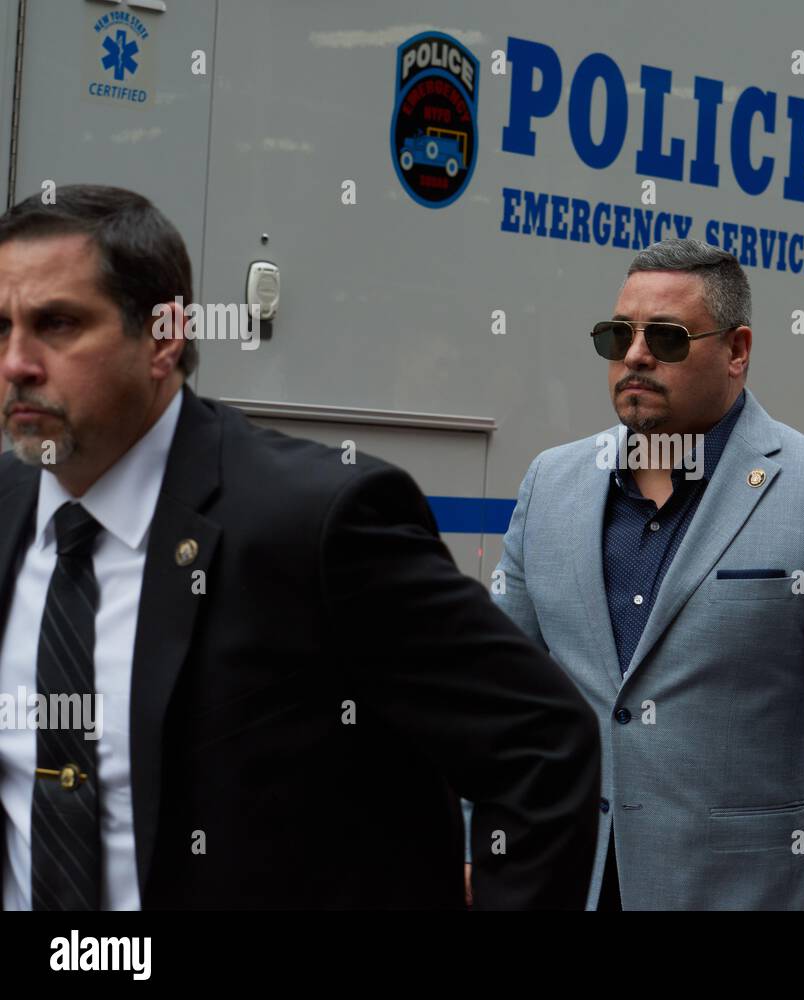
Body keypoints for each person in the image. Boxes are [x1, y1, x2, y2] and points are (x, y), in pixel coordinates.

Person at [0, 184, 599, 910]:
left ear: (163, 337)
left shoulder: (315, 524)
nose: (17, 362)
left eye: (57, 324)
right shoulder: (9, 512)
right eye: (1, 328)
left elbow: (542, 745)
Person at [489, 239, 804, 910]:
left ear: (737, 350)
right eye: (619, 335)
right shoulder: (550, 485)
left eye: (666, 338)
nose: (635, 355)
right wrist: (475, 848)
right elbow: (500, 702)